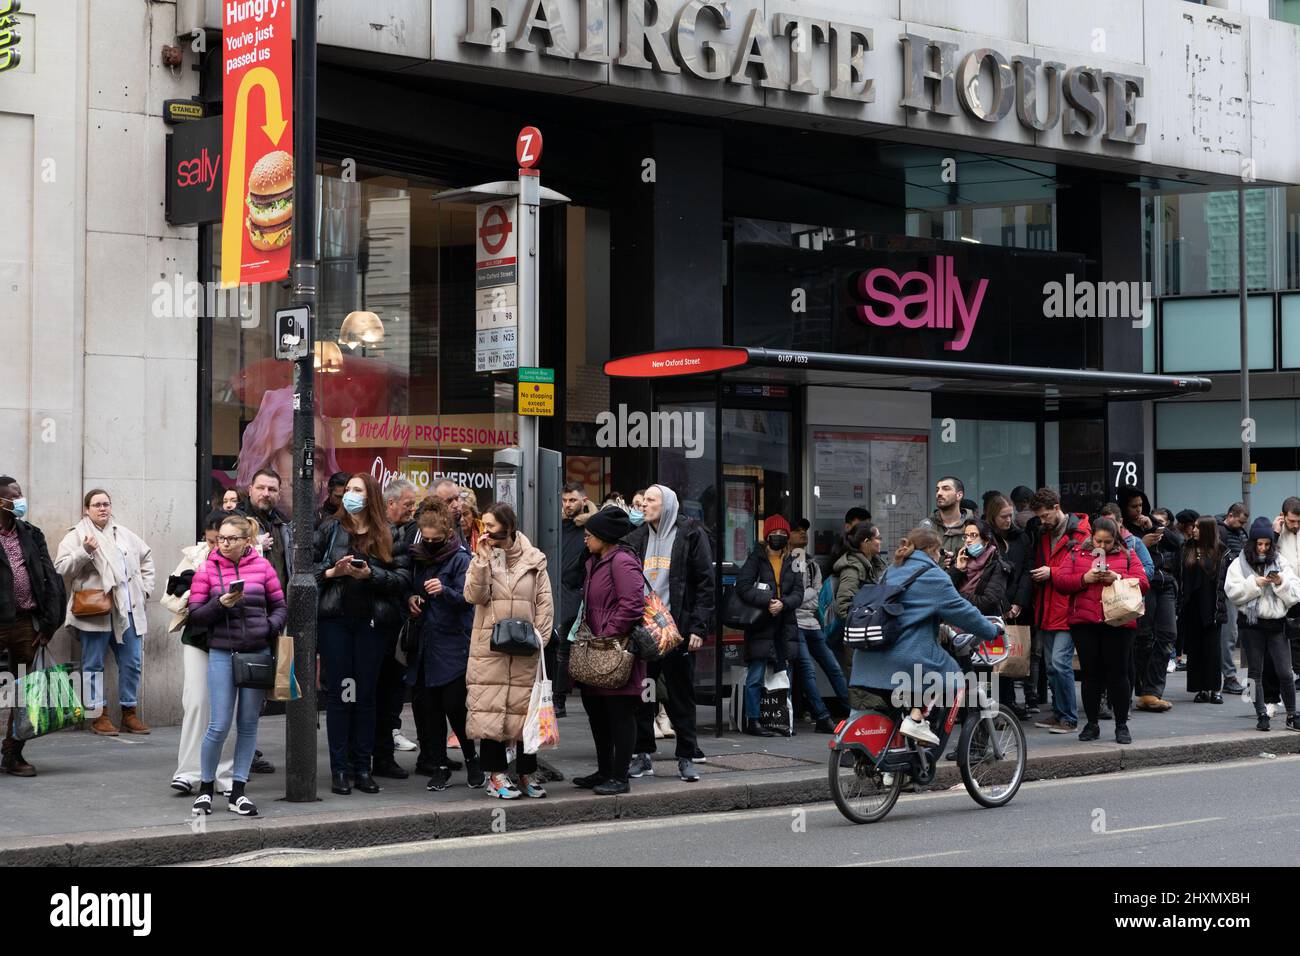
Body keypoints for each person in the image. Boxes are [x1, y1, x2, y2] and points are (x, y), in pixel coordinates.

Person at [849, 527, 1000, 745]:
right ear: (931, 550)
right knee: (956, 677)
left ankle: (894, 768)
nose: (940, 557)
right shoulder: (933, 575)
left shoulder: (891, 570)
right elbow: (962, 612)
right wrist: (991, 630)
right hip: (906, 657)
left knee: (895, 712)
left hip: (868, 657)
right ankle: (917, 719)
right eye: (939, 552)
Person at [314, 473, 412, 796]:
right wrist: (333, 571)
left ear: (370, 496)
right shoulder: (330, 528)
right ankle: (340, 769)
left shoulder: (389, 532)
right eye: (348, 490)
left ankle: (362, 767)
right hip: (336, 624)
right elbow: (306, 569)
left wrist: (371, 575)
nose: (350, 495)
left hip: (371, 626)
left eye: (357, 490)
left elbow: (401, 580)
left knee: (366, 697)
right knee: (342, 695)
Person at [186, 514, 286, 816]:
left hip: (255, 654)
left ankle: (238, 791)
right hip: (222, 653)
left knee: (248, 724)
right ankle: (205, 789)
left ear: (246, 542)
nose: (224, 543)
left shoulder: (263, 566)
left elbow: (281, 605)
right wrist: (221, 605)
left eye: (231, 539)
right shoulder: (207, 568)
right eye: (221, 539)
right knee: (218, 725)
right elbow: (195, 615)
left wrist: (268, 628)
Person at [464, 503, 553, 799]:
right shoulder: (483, 558)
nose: (485, 532)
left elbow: (545, 603)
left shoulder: (534, 559)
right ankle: (496, 776)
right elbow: (473, 596)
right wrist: (481, 562)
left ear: (508, 526)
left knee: (524, 713)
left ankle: (527, 773)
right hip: (490, 647)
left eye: (490, 526)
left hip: (526, 649)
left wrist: (539, 639)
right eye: (482, 526)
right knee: (492, 712)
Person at [626, 483, 713, 777]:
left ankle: (686, 755)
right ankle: (642, 754)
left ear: (668, 505)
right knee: (642, 694)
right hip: (644, 631)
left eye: (651, 501)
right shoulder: (636, 536)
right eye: (643, 501)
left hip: (678, 630)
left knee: (680, 694)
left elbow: (705, 584)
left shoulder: (690, 533)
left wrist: (699, 627)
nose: (644, 505)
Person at [54, 489, 155, 736]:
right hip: (94, 611)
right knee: (93, 664)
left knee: (132, 662)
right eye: (97, 505)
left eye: (106, 504)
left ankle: (129, 713)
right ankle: (98, 714)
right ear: (86, 509)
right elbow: (61, 568)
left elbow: (147, 559)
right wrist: (84, 551)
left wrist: (144, 591)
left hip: (126, 609)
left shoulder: (124, 535)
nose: (103, 509)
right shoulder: (77, 535)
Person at [406, 499, 481, 790]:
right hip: (425, 643)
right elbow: (411, 587)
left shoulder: (461, 558)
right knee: (430, 710)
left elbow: (468, 599)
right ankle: (438, 765)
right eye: (425, 537)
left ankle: (472, 760)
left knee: (455, 708)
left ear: (448, 533)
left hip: (452, 644)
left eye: (435, 538)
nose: (430, 543)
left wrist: (445, 590)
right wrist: (411, 599)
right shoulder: (419, 556)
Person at [570, 506, 645, 795]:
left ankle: (619, 776)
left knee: (620, 713)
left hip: (615, 650)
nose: (585, 539)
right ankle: (604, 771)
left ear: (604, 536)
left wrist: (607, 634)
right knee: (597, 712)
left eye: (589, 535)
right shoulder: (595, 560)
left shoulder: (622, 561)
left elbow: (632, 605)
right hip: (595, 651)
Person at [1055, 517, 1149, 744]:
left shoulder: (1127, 554)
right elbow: (1060, 582)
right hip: (1085, 622)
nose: (1103, 547)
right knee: (1090, 675)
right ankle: (1091, 723)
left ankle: (1121, 725)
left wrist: (1117, 577)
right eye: (1099, 541)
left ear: (1115, 539)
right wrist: (1084, 579)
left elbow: (1144, 582)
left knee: (1118, 675)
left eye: (1108, 542)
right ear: (1092, 537)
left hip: (1118, 622)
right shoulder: (1077, 553)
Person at [162, 511, 235, 795]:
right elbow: (170, 597)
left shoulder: (251, 558)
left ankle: (224, 774)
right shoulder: (195, 557)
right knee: (195, 702)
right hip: (199, 637)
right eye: (214, 539)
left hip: (232, 638)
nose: (220, 545)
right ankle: (189, 772)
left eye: (225, 539)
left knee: (228, 707)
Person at [0, 477, 66, 776]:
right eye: (15, 495)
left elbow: (50, 577)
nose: (21, 499)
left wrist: (50, 622)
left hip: (26, 623)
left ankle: (13, 753)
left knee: (25, 692)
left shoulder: (30, 533)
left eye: (21, 493)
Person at [1224, 517, 1300, 732]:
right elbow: (1233, 593)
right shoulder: (1239, 563)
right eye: (1259, 543)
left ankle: (1292, 715)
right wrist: (1254, 584)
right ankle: (1261, 715)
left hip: (1276, 624)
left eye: (1267, 544)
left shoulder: (1281, 562)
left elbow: (1295, 593)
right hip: (1251, 625)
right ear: (1252, 543)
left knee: (1285, 672)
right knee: (1254, 674)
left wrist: (1280, 583)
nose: (1263, 548)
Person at [369, 478, 420, 779]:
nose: (411, 510)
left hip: (399, 628)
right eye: (407, 505)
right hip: (376, 626)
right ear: (390, 504)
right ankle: (369, 756)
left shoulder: (409, 532)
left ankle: (384, 756)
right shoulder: (376, 535)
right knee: (375, 695)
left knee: (391, 696)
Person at [1028, 487, 1091, 735]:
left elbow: (1083, 567)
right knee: (1052, 665)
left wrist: (1052, 573)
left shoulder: (1081, 532)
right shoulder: (1044, 534)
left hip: (1067, 606)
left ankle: (1069, 718)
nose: (1042, 521)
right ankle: (1059, 712)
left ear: (1056, 507)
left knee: (1059, 662)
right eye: (1039, 517)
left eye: (1045, 515)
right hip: (1048, 606)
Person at [734, 515, 801, 738]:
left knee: (784, 672)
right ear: (767, 537)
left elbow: (798, 594)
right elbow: (743, 587)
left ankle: (782, 718)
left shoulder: (793, 561)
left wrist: (783, 604)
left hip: (785, 624)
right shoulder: (756, 559)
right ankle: (753, 720)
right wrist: (768, 601)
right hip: (761, 624)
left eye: (783, 534)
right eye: (775, 534)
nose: (779, 538)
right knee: (756, 673)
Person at [790, 519, 848, 727]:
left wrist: (799, 596)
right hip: (794, 623)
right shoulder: (788, 562)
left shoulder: (812, 563)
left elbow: (815, 595)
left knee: (833, 668)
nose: (803, 534)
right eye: (797, 530)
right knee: (808, 670)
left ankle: (851, 711)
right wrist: (804, 595)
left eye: (804, 530)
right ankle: (822, 716)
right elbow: (792, 594)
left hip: (812, 623)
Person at [985, 494, 1036, 715]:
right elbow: (986, 574)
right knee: (993, 656)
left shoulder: (1021, 538)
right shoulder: (987, 539)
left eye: (1010, 516)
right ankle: (996, 702)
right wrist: (1004, 604)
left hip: (1017, 603)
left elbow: (1027, 570)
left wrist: (1018, 603)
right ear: (993, 517)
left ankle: (1010, 701)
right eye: (1003, 517)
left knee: (1011, 654)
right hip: (994, 603)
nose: (1008, 520)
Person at [1134, 506, 1181, 713]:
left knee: (1168, 634)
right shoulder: (1134, 533)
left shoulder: (1166, 537)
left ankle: (1152, 691)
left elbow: (1179, 542)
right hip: (1146, 584)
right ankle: (1145, 689)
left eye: (1162, 522)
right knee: (1143, 637)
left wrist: (1155, 524)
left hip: (1166, 584)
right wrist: (1142, 543)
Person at [557, 482, 597, 719]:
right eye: (564, 500)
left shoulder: (591, 526)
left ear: (583, 500)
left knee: (564, 647)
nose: (567, 505)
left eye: (572, 500)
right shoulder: (557, 525)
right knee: (558, 647)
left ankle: (559, 699)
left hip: (576, 593)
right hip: (558, 588)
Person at [1179, 516, 1227, 704]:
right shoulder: (1187, 549)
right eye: (1194, 527)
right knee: (1195, 649)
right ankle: (1200, 688)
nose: (1194, 530)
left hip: (1212, 606)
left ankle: (1215, 688)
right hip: (1191, 606)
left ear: (1207, 530)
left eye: (1198, 527)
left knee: (1213, 649)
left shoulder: (1220, 551)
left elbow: (1223, 581)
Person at [1217, 502, 1250, 695]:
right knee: (1229, 635)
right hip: (1227, 590)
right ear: (1230, 515)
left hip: (1239, 588)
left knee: (1232, 634)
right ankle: (1229, 677)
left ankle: (1229, 676)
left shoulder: (1239, 533)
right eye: (1240, 521)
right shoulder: (1221, 532)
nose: (1242, 525)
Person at [1272, 498, 1300, 696]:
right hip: (1286, 591)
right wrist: (1275, 532)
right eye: (1292, 521)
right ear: (1282, 516)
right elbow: (1264, 553)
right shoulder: (1276, 532)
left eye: (1299, 521)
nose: (1296, 525)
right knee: (1292, 634)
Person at [832, 521, 886, 621]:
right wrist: (866, 622)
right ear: (866, 542)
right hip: (862, 630)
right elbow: (844, 607)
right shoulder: (852, 569)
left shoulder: (877, 564)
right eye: (878, 538)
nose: (881, 541)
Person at [926, 476, 967, 562]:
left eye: (945, 489)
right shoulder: (926, 526)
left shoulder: (973, 526)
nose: (939, 493)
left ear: (959, 495)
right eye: (937, 490)